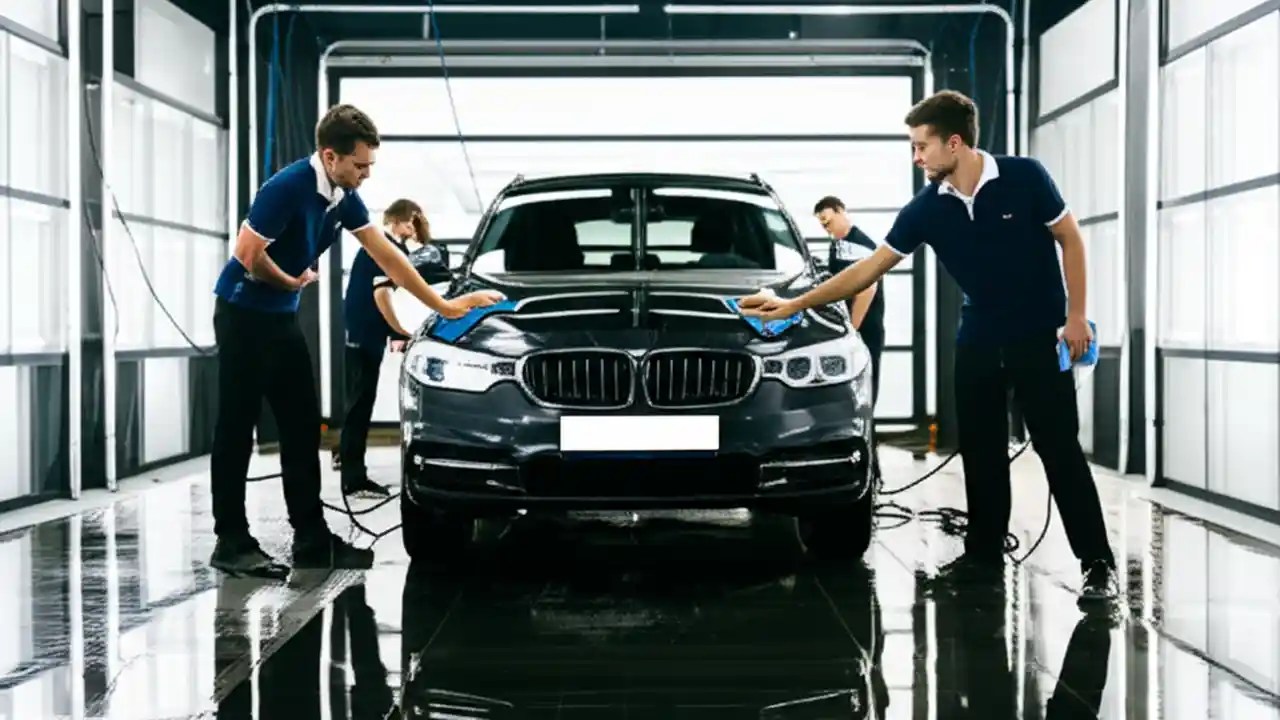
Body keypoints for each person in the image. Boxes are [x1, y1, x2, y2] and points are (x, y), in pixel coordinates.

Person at [740, 90, 1119, 605]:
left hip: (1039, 337)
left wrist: (1076, 317)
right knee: (982, 457)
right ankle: (983, 557)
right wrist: (792, 303)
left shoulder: (1026, 177)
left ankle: (1097, 565)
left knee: (1060, 453)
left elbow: (1070, 239)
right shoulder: (926, 211)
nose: (916, 157)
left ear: (955, 143)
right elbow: (867, 270)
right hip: (979, 342)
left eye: (922, 147)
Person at [209, 104, 501, 579]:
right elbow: (246, 254)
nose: (366, 174)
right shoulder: (287, 187)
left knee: (303, 427)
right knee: (237, 426)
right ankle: (232, 540)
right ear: (330, 157)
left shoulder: (343, 198)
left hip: (281, 318)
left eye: (370, 166)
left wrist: (445, 306)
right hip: (243, 314)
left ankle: (311, 538)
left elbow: (387, 255)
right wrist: (291, 281)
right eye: (360, 165)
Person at [336, 199, 434, 498]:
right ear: (396, 220)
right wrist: (403, 331)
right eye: (409, 222)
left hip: (364, 333)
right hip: (364, 334)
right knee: (360, 402)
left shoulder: (387, 248)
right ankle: (353, 477)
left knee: (359, 401)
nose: (412, 228)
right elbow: (381, 295)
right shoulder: (384, 249)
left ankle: (348, 462)